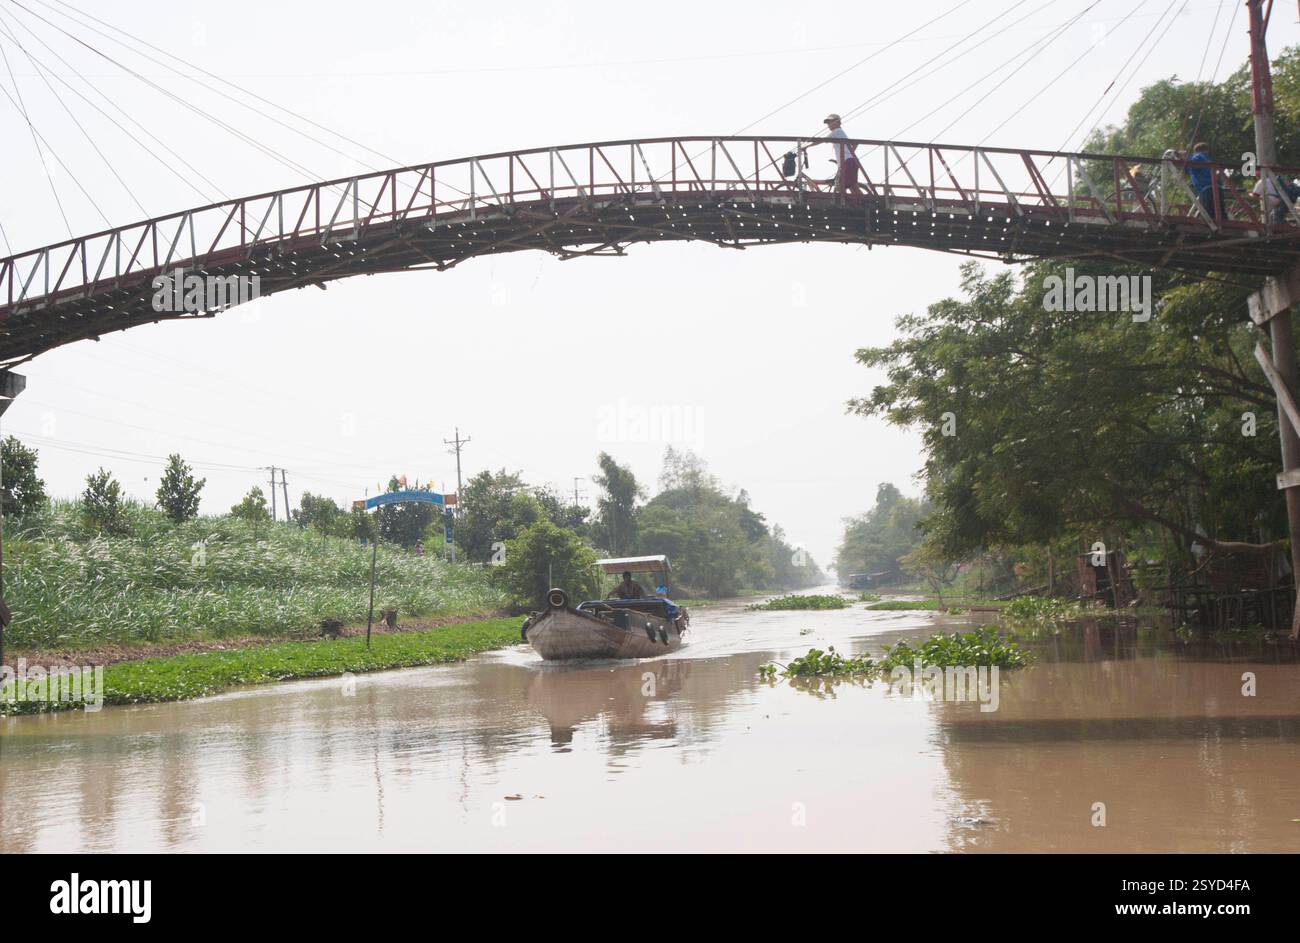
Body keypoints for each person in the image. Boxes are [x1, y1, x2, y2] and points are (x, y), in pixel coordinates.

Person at [821, 113, 864, 198]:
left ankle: (846, 202)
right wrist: (849, 154)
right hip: (850, 161)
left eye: (830, 122)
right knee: (852, 185)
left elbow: (821, 141)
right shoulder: (841, 133)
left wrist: (807, 146)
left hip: (848, 162)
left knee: (840, 186)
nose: (829, 125)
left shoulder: (837, 131)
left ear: (837, 122)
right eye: (828, 123)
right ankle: (862, 201)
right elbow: (855, 144)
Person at [1186, 142, 1223, 220]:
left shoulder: (1198, 156)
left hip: (1207, 188)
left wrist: (1185, 159)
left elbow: (1189, 168)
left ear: (1196, 151)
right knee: (1220, 213)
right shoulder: (1207, 159)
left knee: (1209, 214)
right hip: (1217, 188)